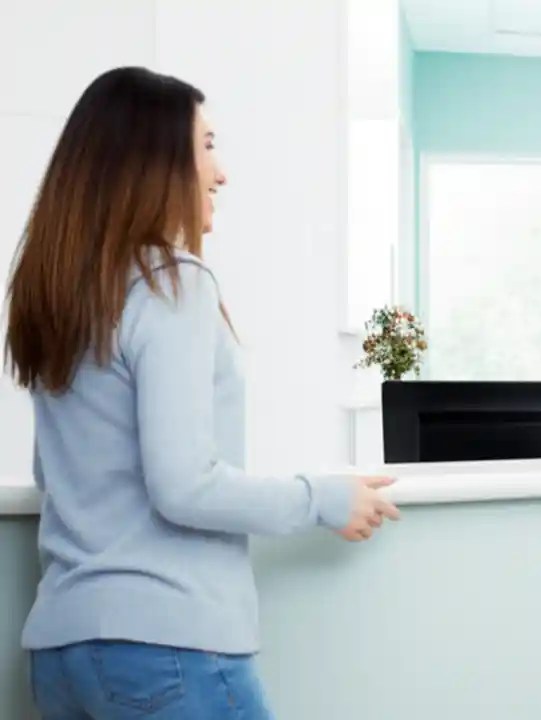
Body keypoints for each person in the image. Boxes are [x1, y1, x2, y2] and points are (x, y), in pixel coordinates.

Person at [4, 67, 398, 719]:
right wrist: (323, 498)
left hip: (60, 656)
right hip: (167, 651)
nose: (220, 173)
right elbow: (183, 484)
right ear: (153, 164)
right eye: (207, 146)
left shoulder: (66, 298)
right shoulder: (172, 284)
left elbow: (57, 473)